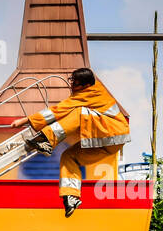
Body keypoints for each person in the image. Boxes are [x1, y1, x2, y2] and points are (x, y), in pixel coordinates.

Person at [9, 66, 130, 218]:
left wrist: (25, 120)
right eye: (72, 82)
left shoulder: (90, 93)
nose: (72, 86)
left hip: (112, 132)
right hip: (109, 142)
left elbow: (58, 110)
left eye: (75, 83)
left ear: (86, 85)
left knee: (78, 113)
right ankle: (71, 197)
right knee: (69, 156)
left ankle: (46, 140)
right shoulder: (88, 94)